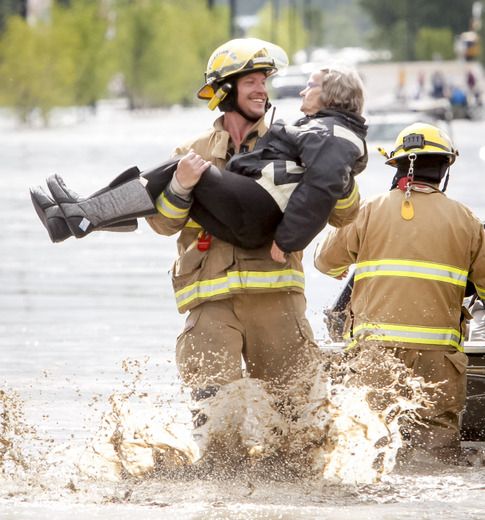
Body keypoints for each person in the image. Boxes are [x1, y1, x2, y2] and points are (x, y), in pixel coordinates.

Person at [30, 38, 367, 421]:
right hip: (211, 306)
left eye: (264, 82)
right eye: (251, 82)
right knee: (214, 430)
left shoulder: (295, 139)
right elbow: (163, 223)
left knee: (298, 426)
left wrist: (340, 175)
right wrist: (181, 187)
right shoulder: (192, 149)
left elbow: (344, 216)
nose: (262, 90)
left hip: (278, 299)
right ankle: (85, 214)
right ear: (226, 90)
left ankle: (83, 215)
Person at [314, 122, 485, 462]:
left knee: (371, 448)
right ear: (445, 166)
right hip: (438, 360)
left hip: (376, 357)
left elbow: (325, 264)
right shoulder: (467, 221)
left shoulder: (368, 211)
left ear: (396, 166)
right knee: (436, 457)